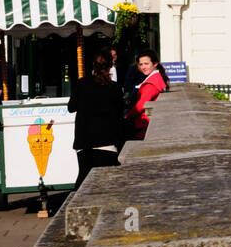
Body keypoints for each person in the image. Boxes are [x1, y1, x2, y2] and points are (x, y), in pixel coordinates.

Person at [67, 49, 124, 189]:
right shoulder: (114, 87)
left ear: (93, 65)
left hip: (84, 139)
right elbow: (119, 113)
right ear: (111, 66)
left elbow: (71, 107)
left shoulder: (81, 84)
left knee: (83, 178)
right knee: (106, 183)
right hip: (106, 140)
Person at [125, 48, 169, 141]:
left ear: (155, 63)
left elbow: (141, 105)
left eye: (146, 64)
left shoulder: (151, 83)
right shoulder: (157, 77)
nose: (143, 67)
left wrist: (127, 116)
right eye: (141, 64)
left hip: (144, 125)